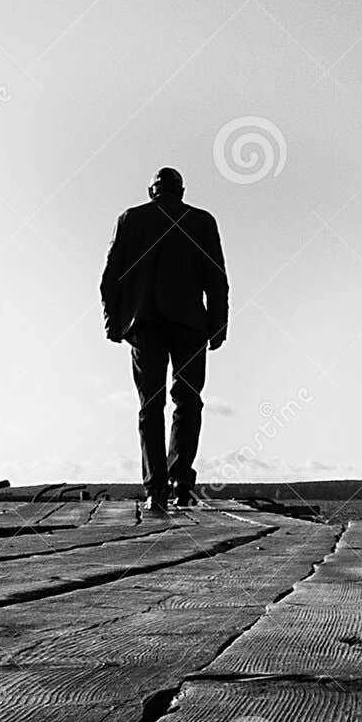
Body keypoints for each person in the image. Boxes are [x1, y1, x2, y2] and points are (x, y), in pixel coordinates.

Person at [100, 167, 229, 512]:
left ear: (151, 191)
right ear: (181, 192)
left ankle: (155, 488)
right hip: (190, 324)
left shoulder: (131, 219)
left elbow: (111, 276)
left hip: (144, 322)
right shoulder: (202, 221)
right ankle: (181, 482)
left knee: (150, 405)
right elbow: (217, 279)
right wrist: (218, 326)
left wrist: (113, 321)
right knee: (188, 400)